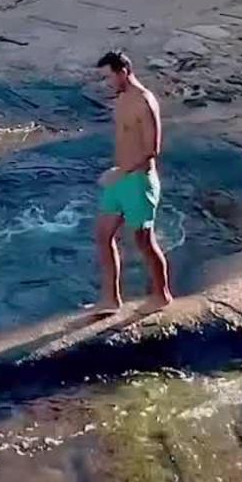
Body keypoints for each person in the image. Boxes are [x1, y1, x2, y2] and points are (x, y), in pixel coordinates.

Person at [93, 49, 172, 313]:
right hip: (121, 177)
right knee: (103, 236)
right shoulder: (122, 98)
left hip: (138, 180)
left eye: (108, 78)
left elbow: (152, 149)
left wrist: (121, 172)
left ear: (123, 72)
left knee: (144, 242)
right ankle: (111, 299)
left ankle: (162, 295)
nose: (106, 84)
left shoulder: (144, 102)